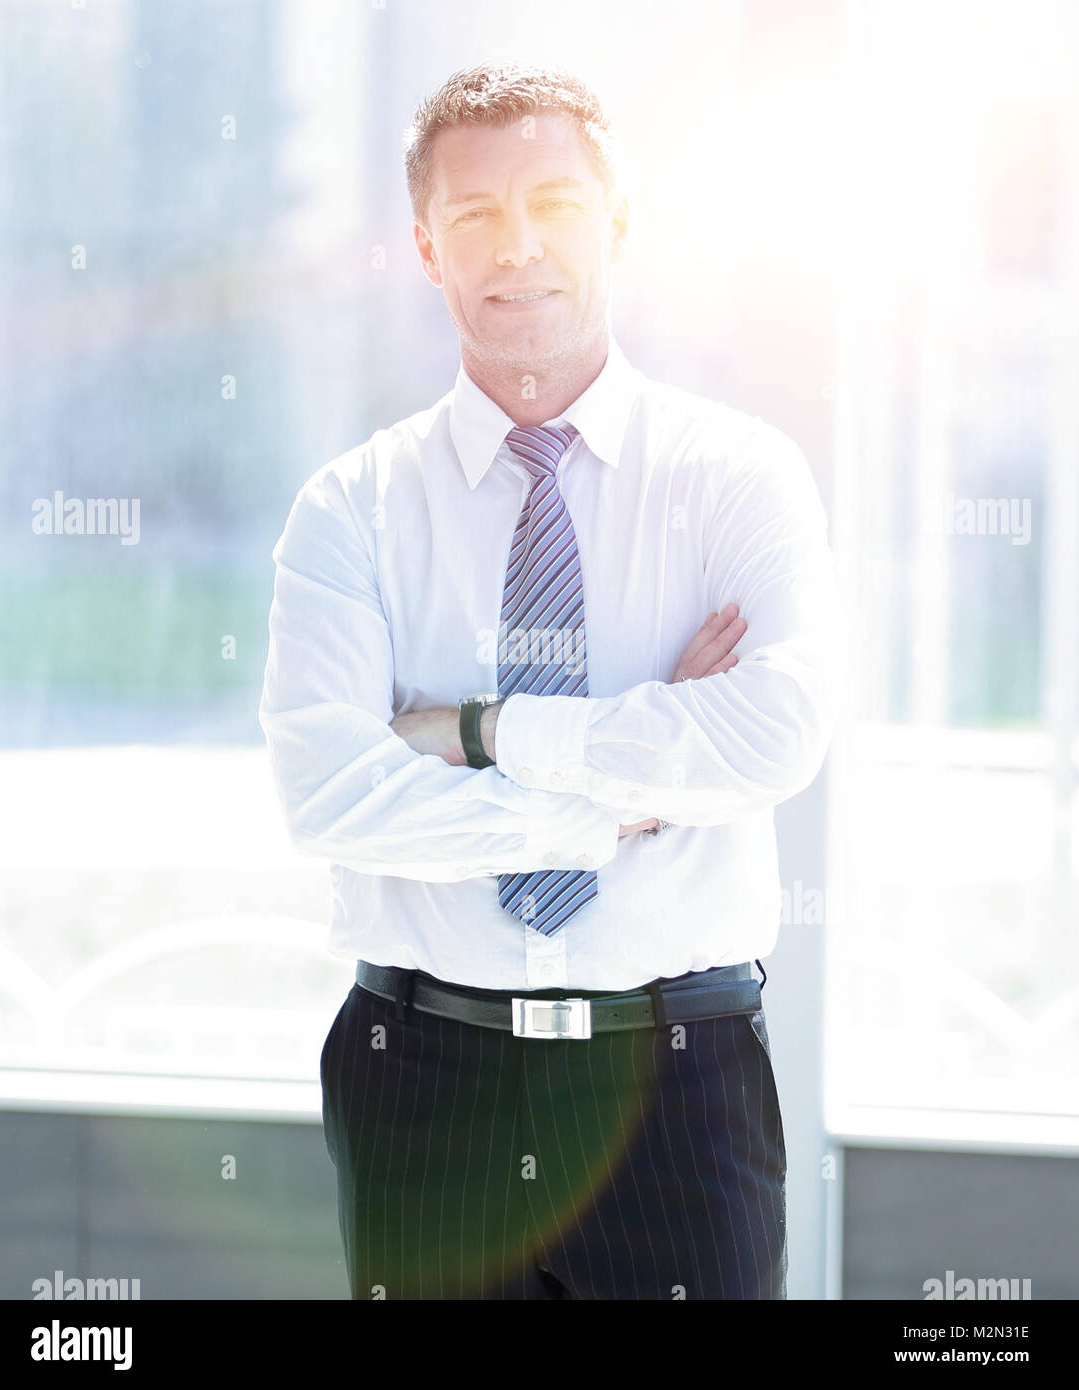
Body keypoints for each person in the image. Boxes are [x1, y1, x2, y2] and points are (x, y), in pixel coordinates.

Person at [259, 62, 841, 1300]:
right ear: (426, 245)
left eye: (555, 206)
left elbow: (777, 731)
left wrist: (481, 731)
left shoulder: (739, 478)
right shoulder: (351, 511)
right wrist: (625, 796)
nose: (516, 247)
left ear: (618, 223)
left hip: (672, 1084)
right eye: (474, 215)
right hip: (422, 1074)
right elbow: (329, 798)